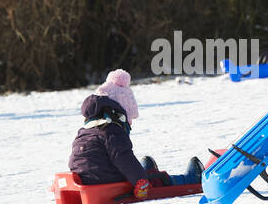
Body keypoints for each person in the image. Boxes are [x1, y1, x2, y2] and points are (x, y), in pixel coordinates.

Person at [68, 70, 202, 197]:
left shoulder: (84, 131)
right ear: (119, 113)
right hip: (106, 181)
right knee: (157, 180)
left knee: (138, 170)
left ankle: (146, 170)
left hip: (86, 178)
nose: (129, 124)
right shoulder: (112, 130)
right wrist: (140, 180)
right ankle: (191, 178)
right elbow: (123, 158)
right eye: (129, 119)